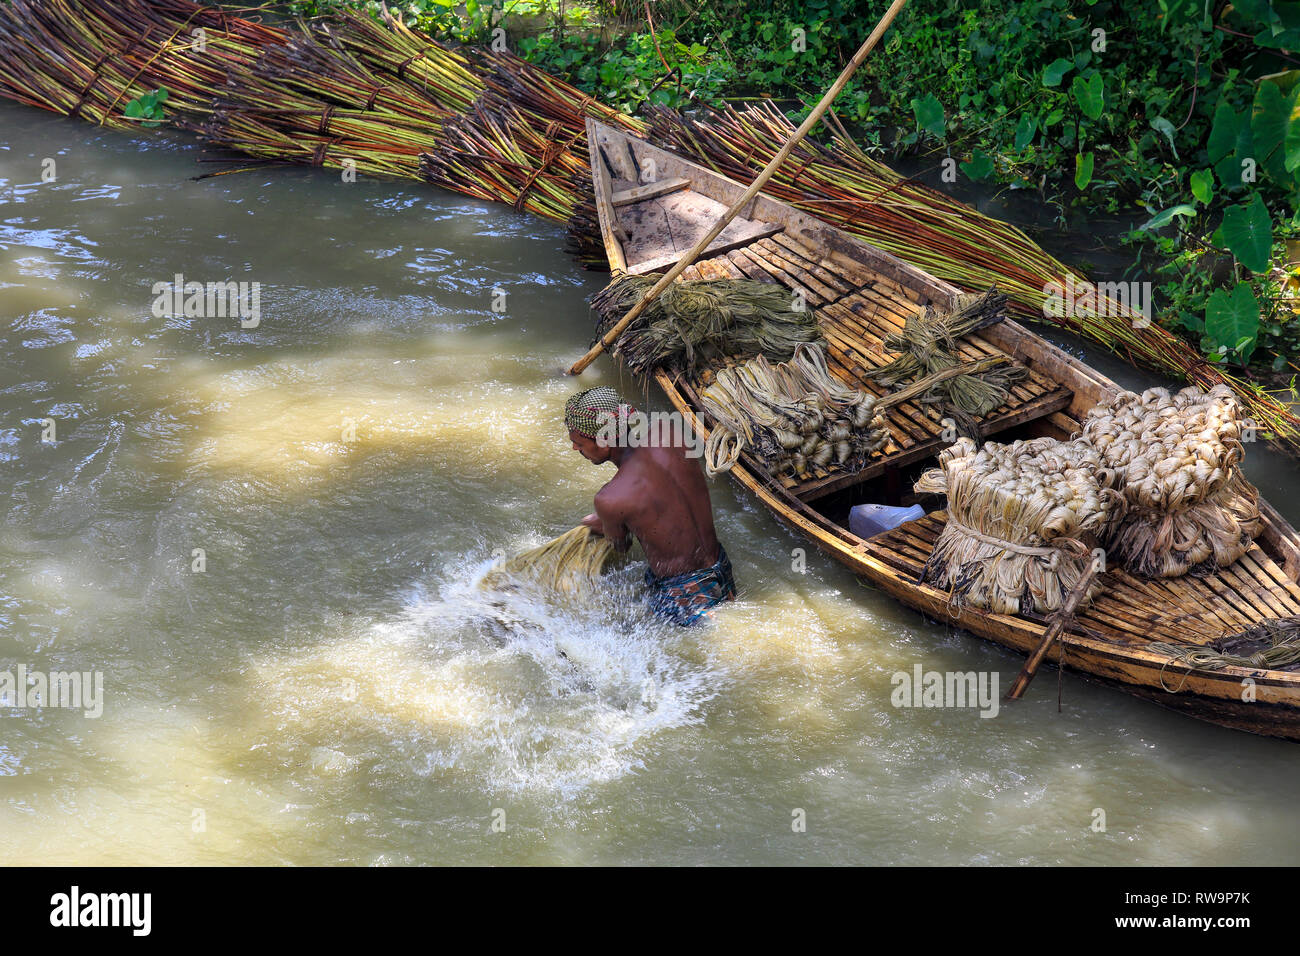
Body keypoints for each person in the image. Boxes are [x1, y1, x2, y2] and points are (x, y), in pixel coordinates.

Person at [565, 386, 735, 626]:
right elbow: (662, 503)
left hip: (682, 592)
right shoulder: (670, 431)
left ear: (604, 442)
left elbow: (621, 546)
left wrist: (607, 523)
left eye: (579, 443)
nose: (575, 448)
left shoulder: (610, 499)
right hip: (720, 566)